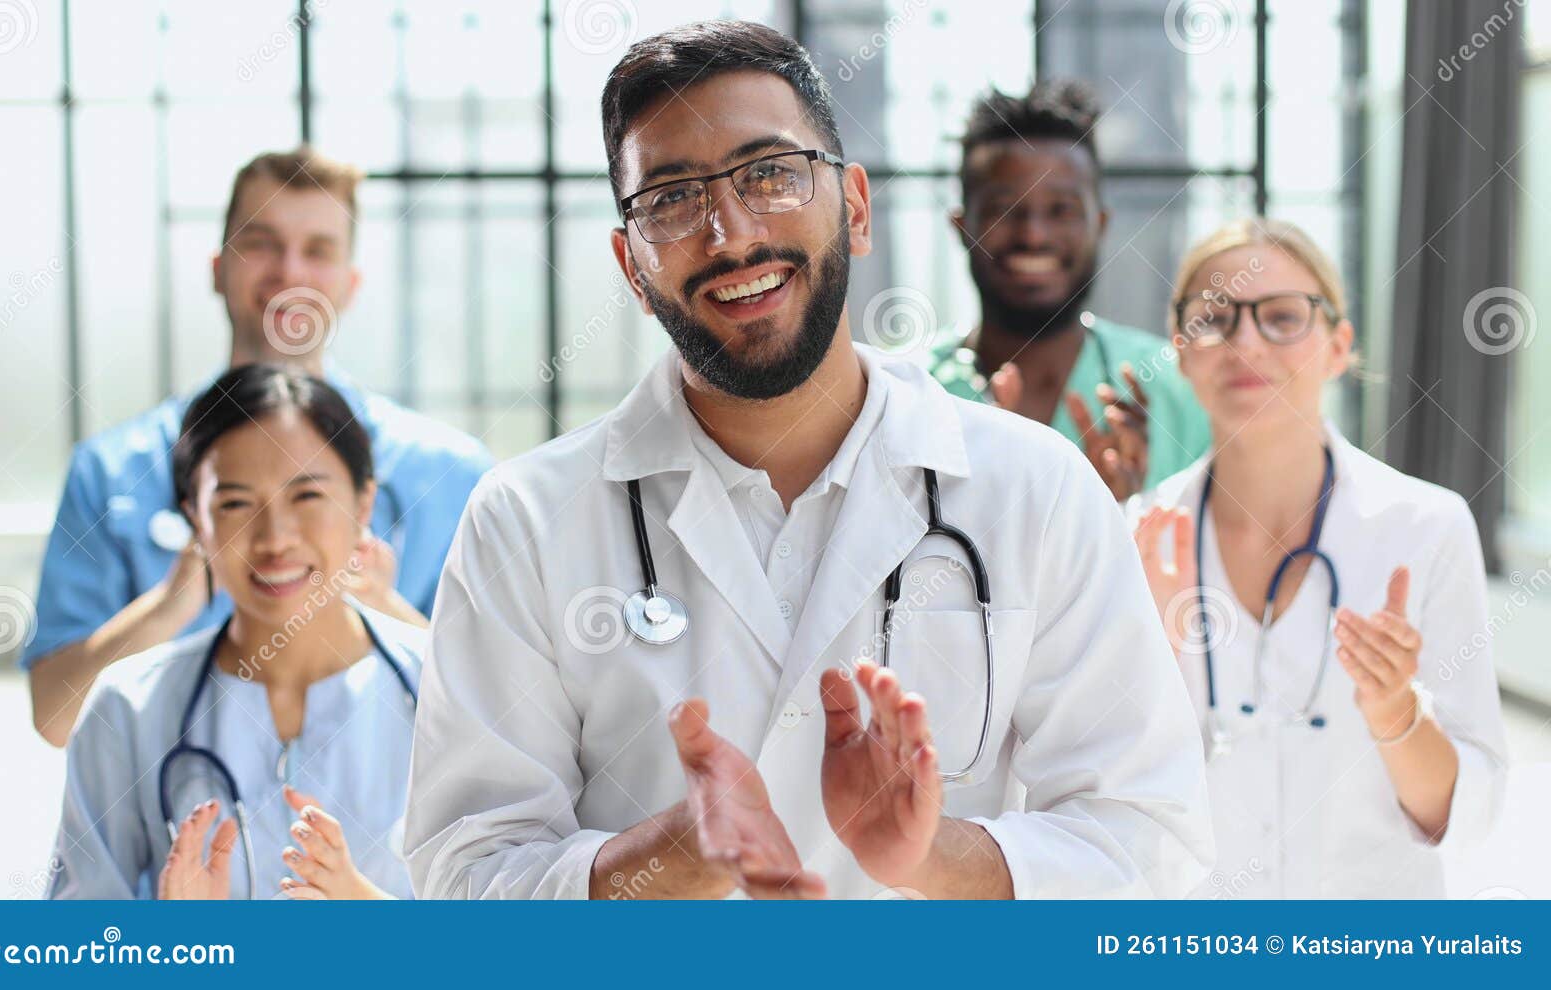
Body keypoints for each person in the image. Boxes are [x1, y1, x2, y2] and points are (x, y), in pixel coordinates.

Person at [405, 20, 1211, 901]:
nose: (731, 233)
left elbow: (1150, 841)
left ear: (855, 209)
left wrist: (936, 856)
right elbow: (463, 869)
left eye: (770, 174)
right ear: (631, 267)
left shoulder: (1038, 490)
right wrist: (655, 864)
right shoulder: (525, 519)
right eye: (671, 199)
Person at [24, 147, 492, 747]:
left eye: (317, 250)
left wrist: (382, 609)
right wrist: (169, 608)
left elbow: (499, 717)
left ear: (349, 286)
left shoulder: (450, 474)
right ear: (218, 269)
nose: (288, 272)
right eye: (262, 243)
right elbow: (56, 718)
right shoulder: (110, 473)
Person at [1129, 218, 1508, 897]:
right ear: (1182, 351)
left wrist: (1397, 714)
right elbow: (1106, 789)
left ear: (1338, 346)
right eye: (1214, 318)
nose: (1245, 341)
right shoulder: (1139, 539)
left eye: (1281, 317)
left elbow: (1467, 814)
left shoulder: (1426, 527)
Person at [48, 365, 424, 900]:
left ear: (364, 502)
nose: (275, 539)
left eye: (308, 496)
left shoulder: (445, 689)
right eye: (235, 504)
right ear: (195, 521)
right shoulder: (129, 707)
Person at [927, 83, 1210, 499]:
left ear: (1100, 224)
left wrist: (1121, 515)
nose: (1033, 235)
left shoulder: (1179, 390)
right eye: (1005, 210)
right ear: (961, 227)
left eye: (1061, 210)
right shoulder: (907, 392)